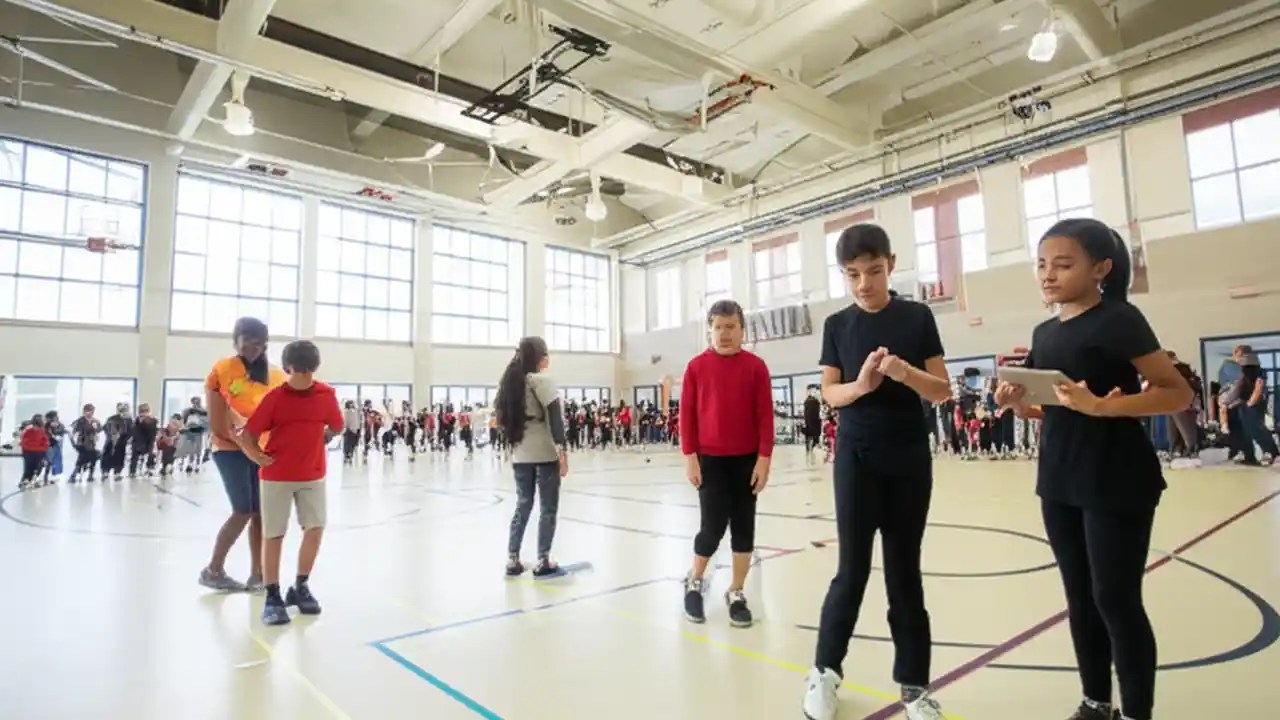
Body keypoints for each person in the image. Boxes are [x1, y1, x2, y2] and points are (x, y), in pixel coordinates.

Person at [995, 218, 1192, 720]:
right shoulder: (1044, 331)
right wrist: (1019, 406)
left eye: (1063, 264)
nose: (1048, 275)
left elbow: (1177, 393)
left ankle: (1135, 712)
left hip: (1117, 478)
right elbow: (1054, 406)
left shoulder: (1121, 319)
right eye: (1042, 265)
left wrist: (1102, 407)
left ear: (1100, 268)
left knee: (1116, 600)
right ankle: (1095, 701)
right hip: (1059, 478)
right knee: (1080, 598)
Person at [803, 223, 952, 720]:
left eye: (873, 271)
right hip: (857, 459)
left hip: (909, 459)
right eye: (852, 275)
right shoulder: (837, 325)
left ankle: (914, 689)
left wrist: (905, 373)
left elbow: (943, 391)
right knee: (852, 571)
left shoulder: (917, 316)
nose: (864, 283)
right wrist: (862, 385)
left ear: (891, 262)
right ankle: (824, 673)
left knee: (905, 574)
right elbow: (830, 393)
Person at [679, 299, 774, 629]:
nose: (724, 333)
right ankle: (695, 580)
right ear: (710, 330)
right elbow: (686, 416)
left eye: (730, 327)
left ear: (741, 330)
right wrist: (690, 457)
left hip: (746, 460)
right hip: (711, 461)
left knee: (744, 527)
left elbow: (765, 417)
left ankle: (736, 591)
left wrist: (764, 459)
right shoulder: (695, 368)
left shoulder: (756, 367)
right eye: (717, 327)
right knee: (712, 526)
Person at [237, 340, 343, 625]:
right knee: (274, 534)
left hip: (312, 475)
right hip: (277, 477)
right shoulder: (275, 398)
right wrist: (257, 457)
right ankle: (273, 594)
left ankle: (300, 585)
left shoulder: (326, 395)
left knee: (315, 528)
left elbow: (337, 425)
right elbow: (247, 435)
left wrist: (323, 438)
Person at [201, 317, 285, 593]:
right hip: (230, 450)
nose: (253, 346)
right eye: (247, 339)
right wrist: (247, 445)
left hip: (261, 452)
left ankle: (257, 574)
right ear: (236, 339)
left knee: (261, 512)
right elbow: (219, 424)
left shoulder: (275, 376)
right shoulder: (222, 370)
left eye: (259, 341)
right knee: (243, 509)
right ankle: (213, 570)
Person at [495, 336, 568, 577]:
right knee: (548, 507)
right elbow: (555, 418)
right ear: (539, 357)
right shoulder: (542, 381)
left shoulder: (510, 383)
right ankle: (543, 559)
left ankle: (513, 558)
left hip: (520, 454)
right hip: (544, 452)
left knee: (523, 503)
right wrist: (562, 451)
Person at [1230, 345, 1277, 465]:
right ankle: (1248, 454)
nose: (1235, 356)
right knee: (1244, 430)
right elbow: (1237, 387)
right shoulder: (1240, 371)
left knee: (1256, 428)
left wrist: (1251, 402)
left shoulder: (1258, 370)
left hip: (1254, 403)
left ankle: (1271, 452)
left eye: (1237, 353)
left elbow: (1259, 387)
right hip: (1242, 403)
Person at [69, 404, 102, 483]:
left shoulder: (95, 421)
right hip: (82, 443)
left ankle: (90, 475)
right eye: (88, 411)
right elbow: (73, 431)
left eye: (91, 411)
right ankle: (73, 476)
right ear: (84, 411)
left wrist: (96, 430)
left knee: (93, 458)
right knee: (81, 459)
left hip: (92, 443)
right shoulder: (80, 421)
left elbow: (99, 429)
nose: (90, 413)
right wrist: (73, 441)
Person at [100, 403, 133, 480]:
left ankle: (117, 472)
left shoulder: (129, 420)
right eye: (121, 410)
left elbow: (131, 430)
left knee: (120, 456)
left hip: (122, 441)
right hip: (110, 440)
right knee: (107, 456)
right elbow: (105, 428)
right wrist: (111, 435)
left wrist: (127, 438)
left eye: (125, 410)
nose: (123, 412)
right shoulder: (111, 418)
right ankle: (105, 472)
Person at [19, 414, 49, 490]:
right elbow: (24, 442)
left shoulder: (41, 430)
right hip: (30, 452)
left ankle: (31, 480)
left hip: (37, 452)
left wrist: (43, 448)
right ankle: (26, 480)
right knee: (30, 467)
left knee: (36, 467)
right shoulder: (28, 430)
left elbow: (46, 442)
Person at [129, 403, 159, 477]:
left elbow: (153, 434)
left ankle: (149, 468)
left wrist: (147, 423)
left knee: (151, 453)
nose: (144, 413)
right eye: (142, 411)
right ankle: (132, 471)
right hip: (138, 442)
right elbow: (134, 432)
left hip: (149, 442)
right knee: (134, 453)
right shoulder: (136, 421)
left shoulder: (153, 421)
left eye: (146, 411)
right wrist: (140, 422)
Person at [42, 410, 65, 484]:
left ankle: (54, 475)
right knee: (49, 460)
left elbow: (61, 430)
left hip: (55, 444)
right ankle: (46, 476)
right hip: (49, 444)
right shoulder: (46, 425)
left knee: (55, 459)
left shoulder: (59, 424)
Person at [803, 385, 822, 465]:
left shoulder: (815, 401)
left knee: (813, 436)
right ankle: (810, 449)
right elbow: (806, 413)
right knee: (810, 436)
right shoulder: (809, 401)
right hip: (810, 421)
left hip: (814, 421)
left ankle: (811, 448)